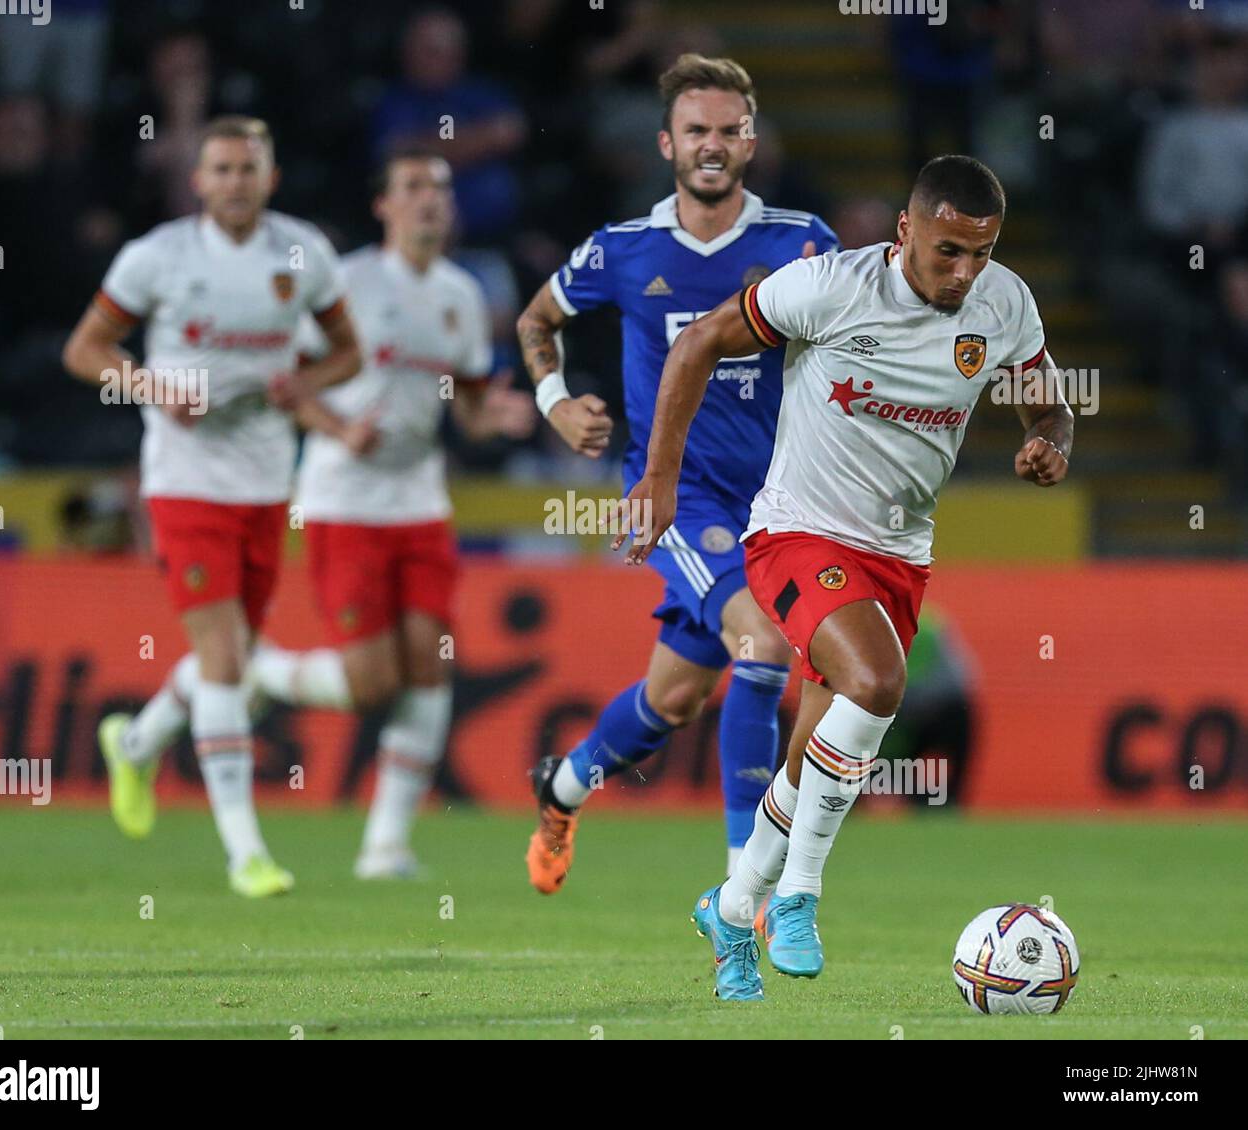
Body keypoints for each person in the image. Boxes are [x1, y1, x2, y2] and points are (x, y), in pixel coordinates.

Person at [620, 155, 1072, 999]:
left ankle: (732, 907)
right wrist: (660, 477)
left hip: (899, 558)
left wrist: (1051, 441)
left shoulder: (1003, 302)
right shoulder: (827, 287)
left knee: (817, 757)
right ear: (906, 231)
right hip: (797, 534)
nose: (965, 271)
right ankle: (798, 895)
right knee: (877, 681)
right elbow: (697, 343)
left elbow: (1047, 400)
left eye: (981, 252)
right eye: (948, 251)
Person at [515, 53, 838, 895]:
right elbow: (536, 319)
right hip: (677, 497)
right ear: (667, 142)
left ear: (751, 142)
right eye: (697, 130)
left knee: (675, 698)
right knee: (763, 648)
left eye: (729, 131)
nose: (712, 145)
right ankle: (746, 887)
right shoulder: (624, 250)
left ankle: (561, 788)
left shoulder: (802, 244)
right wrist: (554, 402)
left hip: (778, 502)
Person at [62, 116, 362, 898]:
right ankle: (245, 853)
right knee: (227, 660)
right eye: (221, 168)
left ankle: (135, 745)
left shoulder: (305, 253)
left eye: (248, 167)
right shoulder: (156, 257)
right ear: (197, 180)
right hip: (182, 479)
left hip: (266, 482)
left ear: (271, 177)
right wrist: (153, 387)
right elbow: (86, 349)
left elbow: (349, 352)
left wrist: (305, 385)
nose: (235, 181)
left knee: (229, 658)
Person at [250, 151, 534, 878]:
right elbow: (286, 383)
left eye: (440, 187)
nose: (430, 200)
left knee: (430, 664)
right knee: (371, 683)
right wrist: (339, 429)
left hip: (420, 499)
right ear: (383, 205)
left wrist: (492, 415)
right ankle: (264, 672)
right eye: (412, 188)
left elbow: (465, 407)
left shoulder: (462, 295)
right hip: (344, 498)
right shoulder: (345, 284)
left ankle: (386, 845)